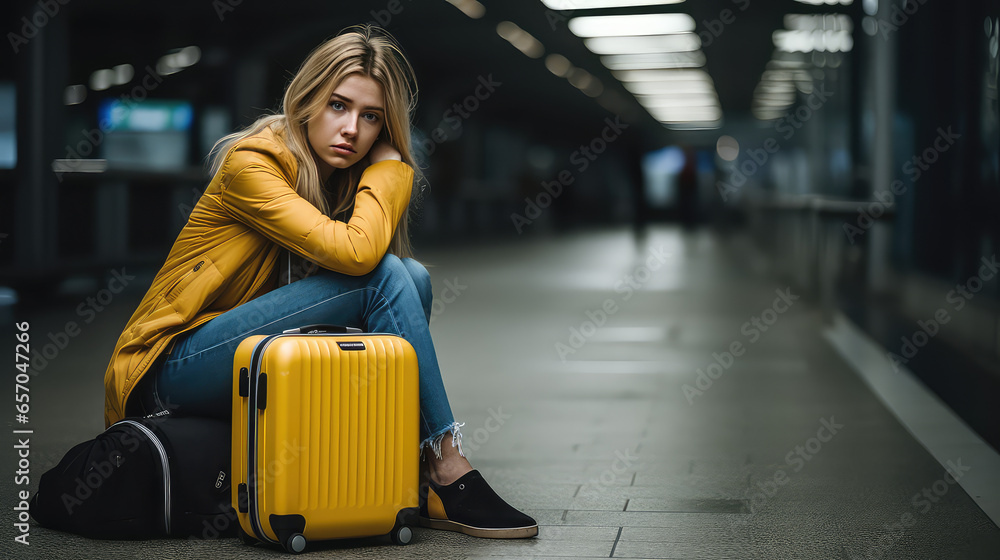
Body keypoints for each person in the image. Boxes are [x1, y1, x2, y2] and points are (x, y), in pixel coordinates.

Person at [101, 24, 537, 540]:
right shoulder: (253, 164)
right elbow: (358, 254)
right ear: (306, 101)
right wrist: (393, 170)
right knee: (384, 276)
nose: (351, 128)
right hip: (166, 368)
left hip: (250, 357)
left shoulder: (339, 181)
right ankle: (445, 467)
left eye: (370, 117)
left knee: (411, 278)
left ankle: (399, 465)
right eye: (338, 106)